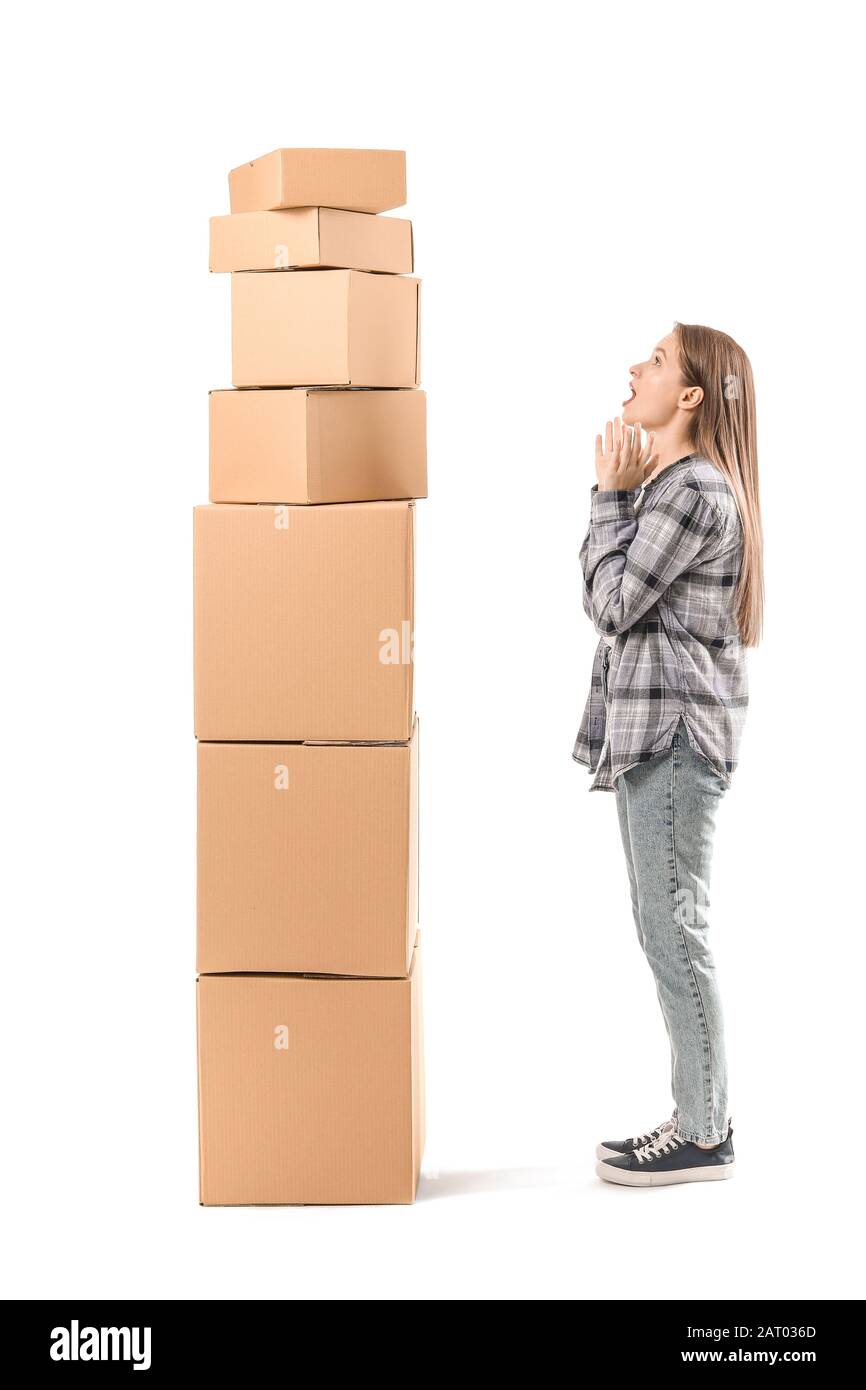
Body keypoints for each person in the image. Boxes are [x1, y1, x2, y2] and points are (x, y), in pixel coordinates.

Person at [572, 322, 763, 1188]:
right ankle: (699, 1114)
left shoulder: (688, 493)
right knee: (665, 930)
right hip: (656, 738)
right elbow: (617, 605)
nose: (633, 369)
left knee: (675, 933)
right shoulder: (671, 484)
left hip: (676, 741)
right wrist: (621, 493)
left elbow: (612, 603)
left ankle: (705, 1132)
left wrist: (608, 494)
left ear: (690, 396)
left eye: (653, 362)